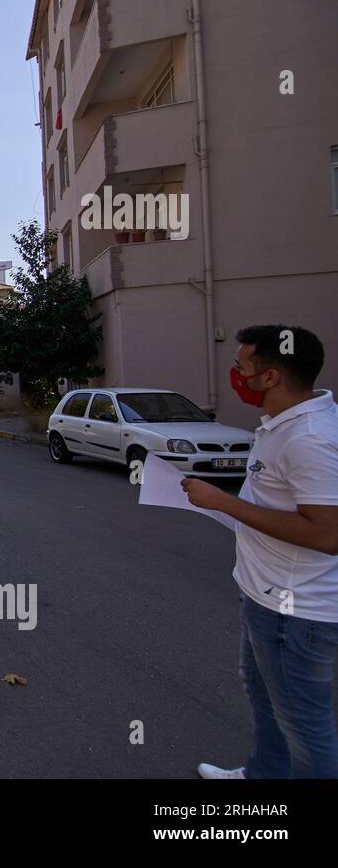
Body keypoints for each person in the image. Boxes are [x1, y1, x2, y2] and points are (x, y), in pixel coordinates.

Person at [183, 325, 338, 779]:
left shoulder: (310, 437)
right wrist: (227, 510)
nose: (234, 374)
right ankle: (262, 774)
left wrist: (224, 502)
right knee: (266, 699)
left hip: (296, 611)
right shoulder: (281, 425)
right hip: (263, 596)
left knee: (304, 725)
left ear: (269, 377)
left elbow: (328, 535)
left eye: (241, 367)